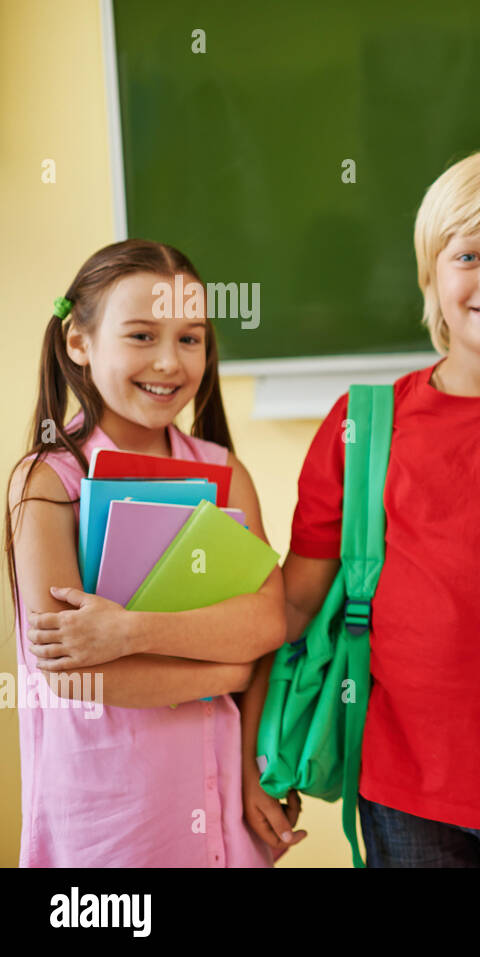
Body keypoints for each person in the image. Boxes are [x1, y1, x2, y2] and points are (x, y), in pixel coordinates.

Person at [240, 147, 480, 866]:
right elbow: (295, 604)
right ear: (431, 273)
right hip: (397, 791)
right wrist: (250, 755)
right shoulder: (363, 425)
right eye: (468, 255)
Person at [6, 239, 284, 866]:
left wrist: (129, 632)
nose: (169, 362)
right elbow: (75, 671)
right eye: (140, 335)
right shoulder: (49, 482)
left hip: (216, 805)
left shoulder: (222, 471)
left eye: (190, 338)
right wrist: (225, 670)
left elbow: (267, 622)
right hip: (112, 818)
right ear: (79, 342)